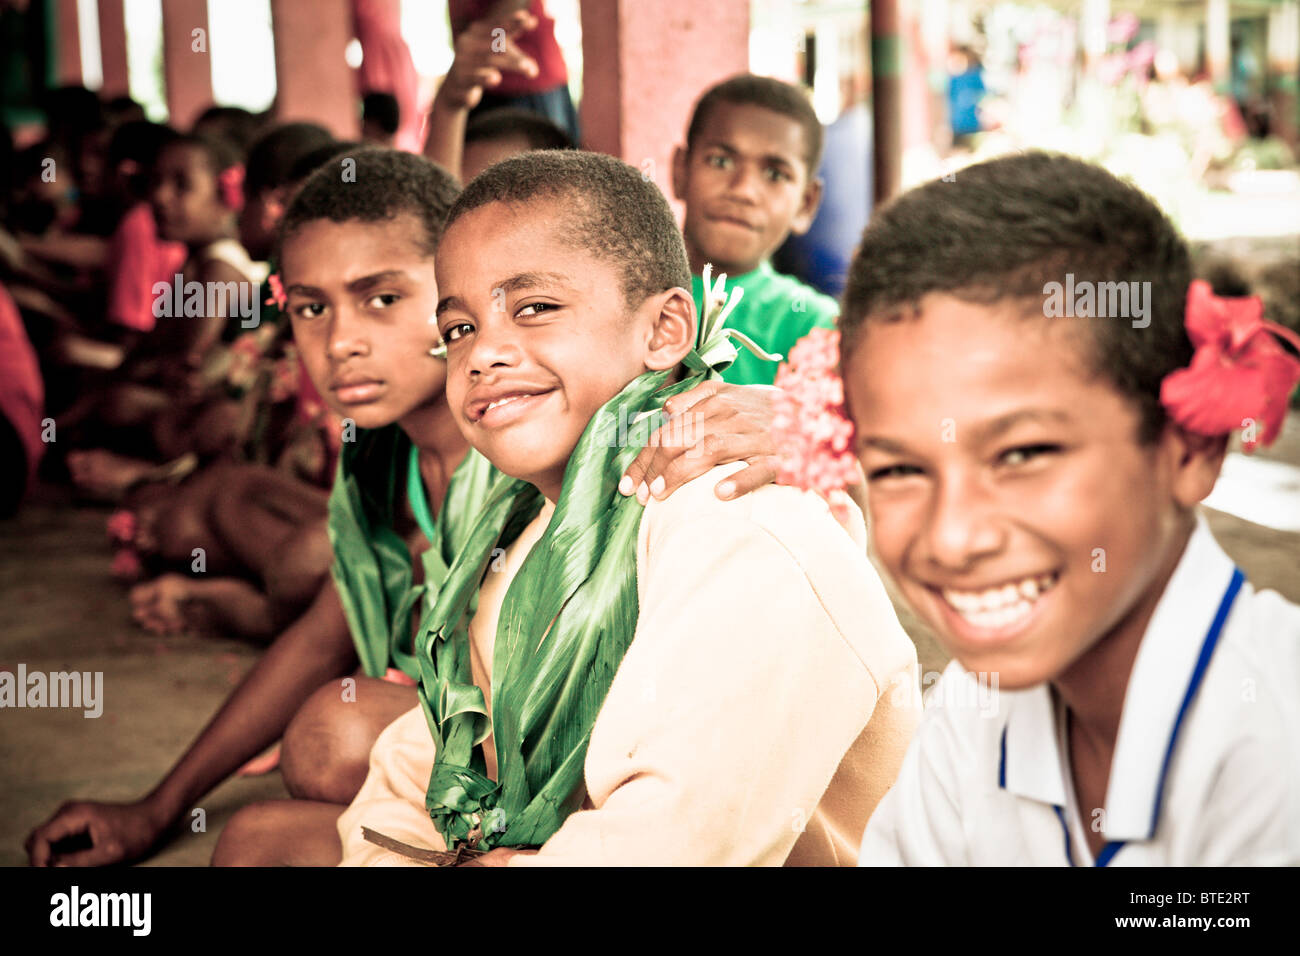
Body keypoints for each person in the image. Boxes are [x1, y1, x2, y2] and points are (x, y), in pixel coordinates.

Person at [26, 149, 787, 867]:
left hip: (597, 769)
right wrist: (156, 807)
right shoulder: (380, 454)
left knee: (331, 730)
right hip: (494, 759)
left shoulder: (539, 454)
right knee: (267, 820)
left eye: (382, 300)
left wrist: (781, 426)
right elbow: (322, 633)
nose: (341, 342)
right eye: (311, 309)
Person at [212, 150, 920, 867]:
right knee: (256, 847)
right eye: (460, 329)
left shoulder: (747, 534)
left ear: (665, 330)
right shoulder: (520, 534)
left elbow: (679, 845)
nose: (485, 352)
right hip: (555, 841)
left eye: (535, 309)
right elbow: (422, 759)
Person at [840, 153, 1300, 865]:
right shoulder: (974, 709)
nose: (953, 536)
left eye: (1023, 454)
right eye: (899, 467)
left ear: (1189, 448)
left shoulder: (1277, 746)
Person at [672, 74, 839, 386]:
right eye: (720, 161)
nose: (743, 190)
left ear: (806, 203)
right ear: (680, 170)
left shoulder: (813, 325)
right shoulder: (629, 294)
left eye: (775, 174)